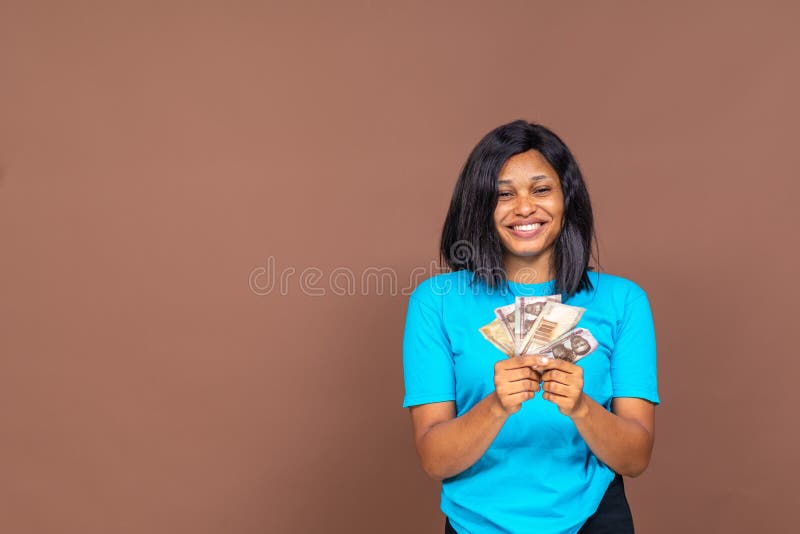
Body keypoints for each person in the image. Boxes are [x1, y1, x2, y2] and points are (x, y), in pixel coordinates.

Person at [401, 120, 659, 533]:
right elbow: (434, 459)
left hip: (593, 519)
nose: (524, 207)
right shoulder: (437, 302)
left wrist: (580, 407)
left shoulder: (623, 301)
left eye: (541, 190)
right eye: (504, 194)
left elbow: (636, 458)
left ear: (566, 199)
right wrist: (496, 405)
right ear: (479, 205)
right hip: (475, 524)